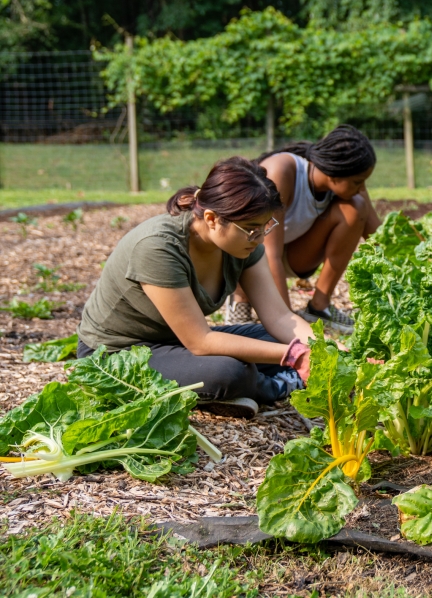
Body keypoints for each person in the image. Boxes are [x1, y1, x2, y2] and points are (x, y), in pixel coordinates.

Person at [76, 157, 315, 419]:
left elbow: (280, 317)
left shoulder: (241, 244)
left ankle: (237, 390)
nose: (259, 238)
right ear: (212, 218)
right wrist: (294, 356)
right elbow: (200, 342)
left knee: (280, 339)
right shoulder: (158, 246)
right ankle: (276, 386)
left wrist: (330, 352)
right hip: (116, 353)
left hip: (176, 341)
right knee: (229, 372)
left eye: (265, 226)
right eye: (251, 229)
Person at [226, 125, 380, 334]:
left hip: (290, 255)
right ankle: (240, 298)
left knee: (357, 207)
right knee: (249, 241)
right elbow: (270, 253)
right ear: (336, 173)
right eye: (358, 182)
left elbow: (380, 236)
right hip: (244, 254)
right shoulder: (282, 171)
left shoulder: (347, 186)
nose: (362, 188)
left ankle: (319, 307)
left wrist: (421, 258)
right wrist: (287, 322)